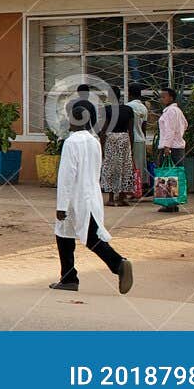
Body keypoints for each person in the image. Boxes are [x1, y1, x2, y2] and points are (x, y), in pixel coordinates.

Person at [52, 97, 134, 294]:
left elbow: (66, 176)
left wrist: (61, 205)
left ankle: (118, 264)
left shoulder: (71, 142)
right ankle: (68, 277)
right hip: (91, 195)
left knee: (89, 238)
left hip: (75, 198)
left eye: (70, 117)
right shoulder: (94, 141)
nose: (68, 121)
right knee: (64, 235)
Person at [155, 87, 188, 213]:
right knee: (175, 175)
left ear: (171, 98)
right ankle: (173, 202)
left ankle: (168, 203)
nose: (162, 99)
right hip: (178, 147)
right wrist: (179, 136)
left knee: (167, 175)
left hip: (170, 147)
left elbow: (169, 130)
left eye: (164, 96)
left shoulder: (170, 112)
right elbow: (185, 124)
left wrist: (167, 146)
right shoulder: (177, 111)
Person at [99, 89, 135, 206]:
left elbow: (104, 129)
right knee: (125, 167)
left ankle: (111, 198)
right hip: (125, 139)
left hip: (112, 139)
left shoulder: (107, 110)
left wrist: (102, 146)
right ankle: (122, 197)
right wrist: (131, 147)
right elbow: (131, 130)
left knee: (110, 168)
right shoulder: (128, 109)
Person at [126, 84, 150, 197]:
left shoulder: (128, 106)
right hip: (141, 139)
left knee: (131, 165)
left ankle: (132, 189)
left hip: (131, 139)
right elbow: (144, 126)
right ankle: (140, 188)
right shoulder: (144, 108)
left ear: (130, 94)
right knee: (140, 166)